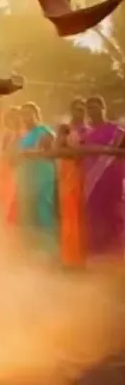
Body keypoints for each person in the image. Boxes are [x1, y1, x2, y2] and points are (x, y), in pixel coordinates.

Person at [82, 95, 125, 262]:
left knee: (114, 215)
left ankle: (116, 253)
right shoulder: (87, 134)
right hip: (92, 182)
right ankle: (98, 252)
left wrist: (99, 150)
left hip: (113, 179)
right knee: (94, 215)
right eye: (89, 108)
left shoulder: (117, 132)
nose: (92, 111)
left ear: (103, 108)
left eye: (95, 107)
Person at [15, 102, 58, 259]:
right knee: (28, 210)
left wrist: (30, 153)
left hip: (43, 173)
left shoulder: (44, 131)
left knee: (44, 208)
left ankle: (49, 250)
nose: (26, 117)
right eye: (23, 114)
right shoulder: (24, 134)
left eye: (29, 113)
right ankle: (31, 249)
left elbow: (52, 151)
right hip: (27, 174)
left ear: (36, 114)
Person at [55, 122, 84, 268]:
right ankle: (68, 257)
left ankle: (74, 258)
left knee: (72, 220)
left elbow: (75, 153)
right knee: (67, 220)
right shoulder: (62, 145)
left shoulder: (73, 140)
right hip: (64, 181)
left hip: (71, 181)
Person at [0, 105, 22, 227]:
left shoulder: (23, 134)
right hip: (5, 167)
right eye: (11, 118)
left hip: (17, 167)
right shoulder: (5, 134)